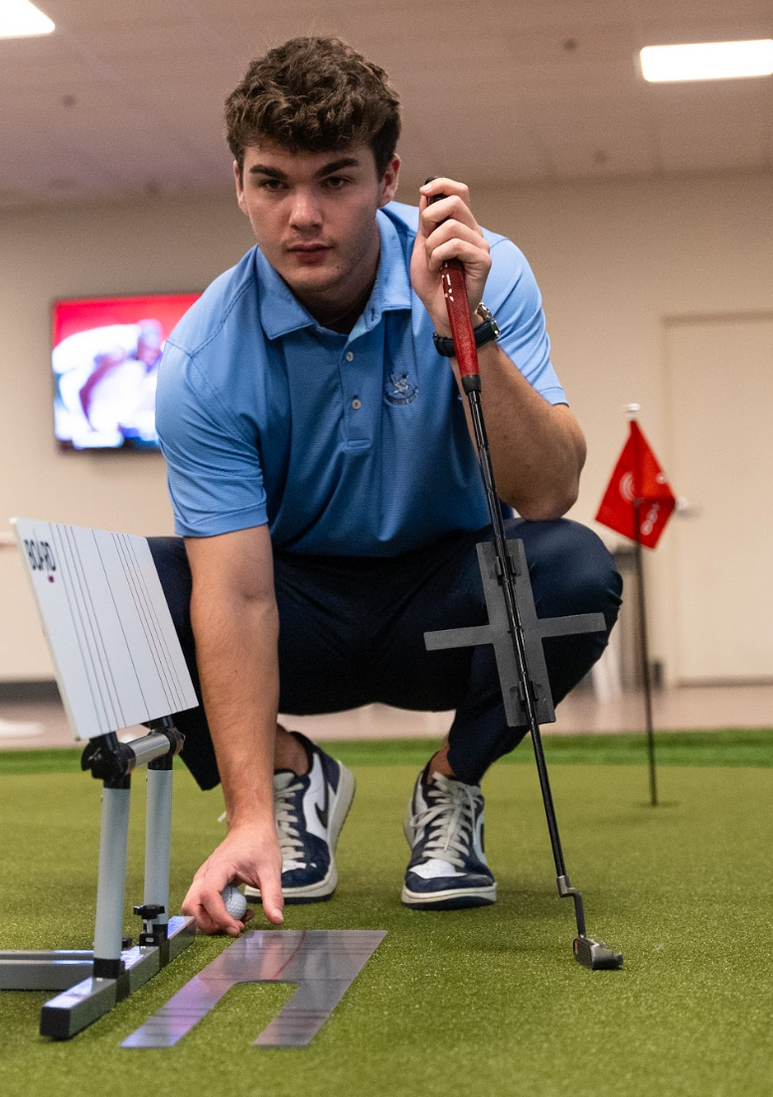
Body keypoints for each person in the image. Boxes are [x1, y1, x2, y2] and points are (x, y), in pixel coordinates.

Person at [151, 36, 621, 937]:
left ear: (388, 177)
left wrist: (463, 328)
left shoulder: (484, 272)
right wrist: (248, 808)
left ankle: (452, 781)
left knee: (574, 569)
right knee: (126, 598)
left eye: (335, 180)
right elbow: (240, 593)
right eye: (273, 183)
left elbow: (550, 491)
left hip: (445, 601)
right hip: (298, 615)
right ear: (239, 185)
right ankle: (292, 778)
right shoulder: (202, 360)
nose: (302, 215)